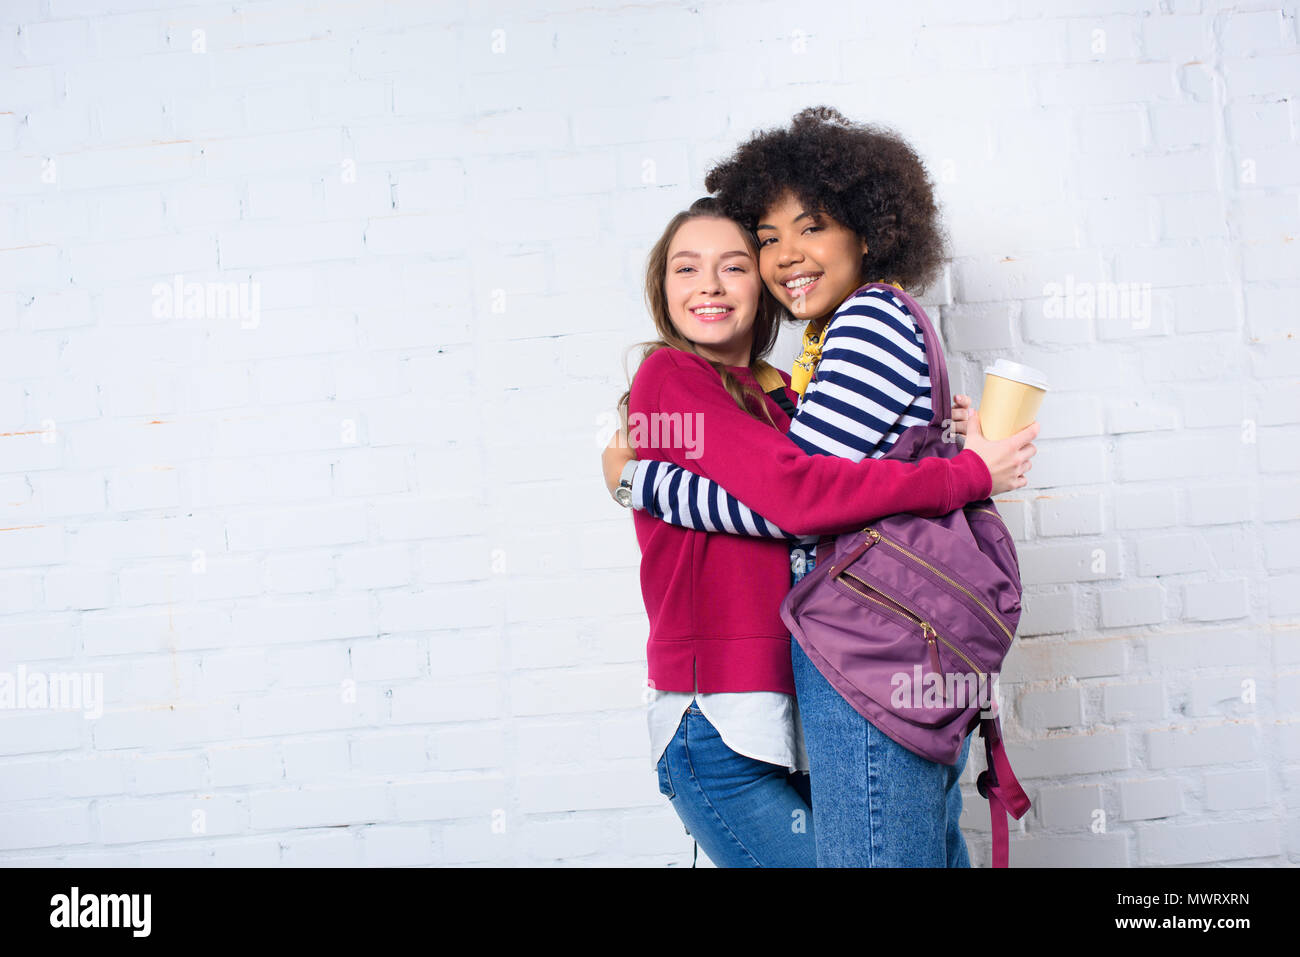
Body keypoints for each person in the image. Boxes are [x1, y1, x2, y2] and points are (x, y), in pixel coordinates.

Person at [606, 107, 1039, 867]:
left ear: (866, 231)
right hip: (747, 705)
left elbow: (796, 501)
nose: (784, 255)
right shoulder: (683, 374)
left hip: (859, 660)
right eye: (767, 238)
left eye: (807, 229)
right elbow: (800, 495)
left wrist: (642, 484)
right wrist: (947, 461)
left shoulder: (823, 356)